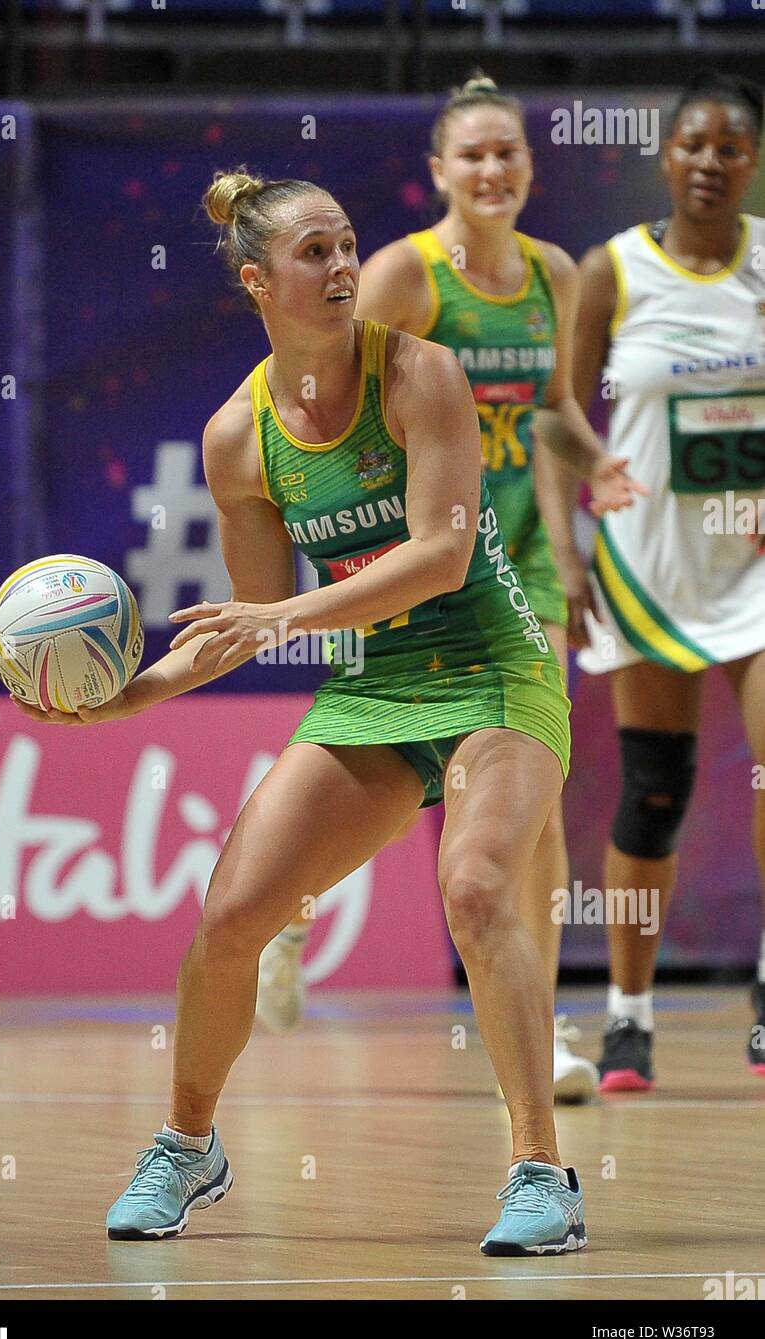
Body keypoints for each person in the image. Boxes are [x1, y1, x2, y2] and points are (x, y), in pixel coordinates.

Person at [14, 167, 598, 1254]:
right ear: (256, 280)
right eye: (313, 254)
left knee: (473, 887)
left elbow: (440, 554)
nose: (341, 269)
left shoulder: (421, 374)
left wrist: (279, 621)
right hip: (375, 687)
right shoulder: (237, 439)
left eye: (346, 247)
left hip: (494, 669)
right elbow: (241, 623)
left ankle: (542, 1171)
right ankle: (188, 1145)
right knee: (232, 917)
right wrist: (118, 702)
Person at [257, 74, 644, 1105]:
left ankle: (546, 1019)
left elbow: (554, 409)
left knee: (535, 802)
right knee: (391, 798)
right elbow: (334, 411)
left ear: (529, 165)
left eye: (507, 153)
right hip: (418, 565)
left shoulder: (555, 273)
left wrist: (589, 479)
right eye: (471, 155)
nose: (492, 170)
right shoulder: (403, 277)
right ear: (439, 172)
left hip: (517, 570)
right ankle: (290, 914)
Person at [555, 70, 765, 1089]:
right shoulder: (614, 270)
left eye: (731, 147)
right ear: (667, 155)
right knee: (654, 792)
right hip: (647, 565)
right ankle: (629, 1018)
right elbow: (558, 414)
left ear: (752, 162)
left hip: (755, 560)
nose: (709, 163)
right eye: (693, 144)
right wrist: (564, 542)